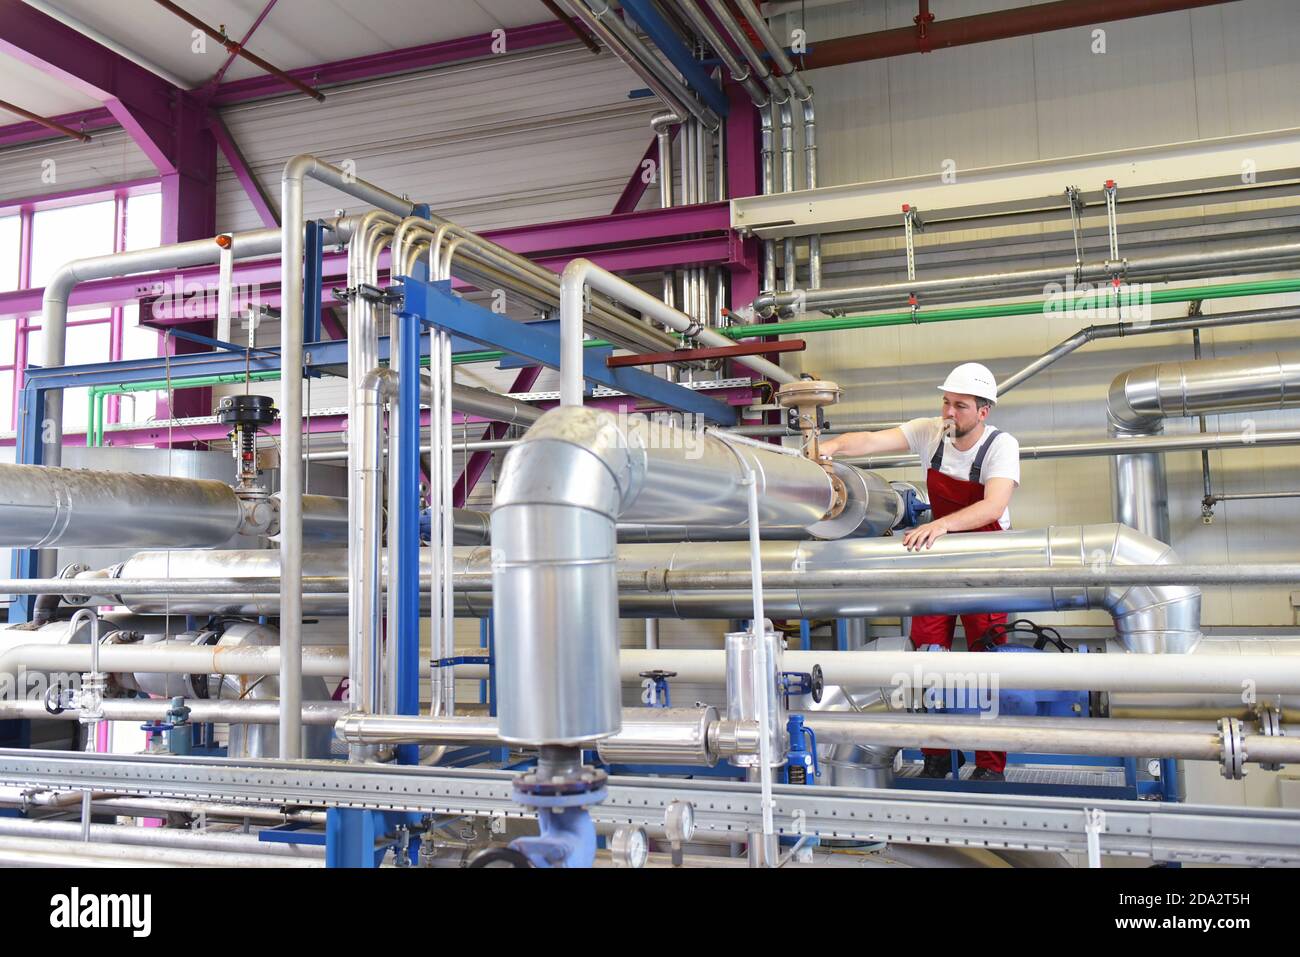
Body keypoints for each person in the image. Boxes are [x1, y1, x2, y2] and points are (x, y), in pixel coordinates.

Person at [819, 362, 1021, 782]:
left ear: (984, 411)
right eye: (946, 402)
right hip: (940, 558)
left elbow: (994, 506)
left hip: (986, 559)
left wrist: (941, 523)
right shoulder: (932, 431)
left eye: (960, 406)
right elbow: (874, 440)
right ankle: (937, 752)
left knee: (988, 658)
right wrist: (833, 447)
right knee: (927, 656)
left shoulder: (1001, 446)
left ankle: (989, 764)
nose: (949, 412)